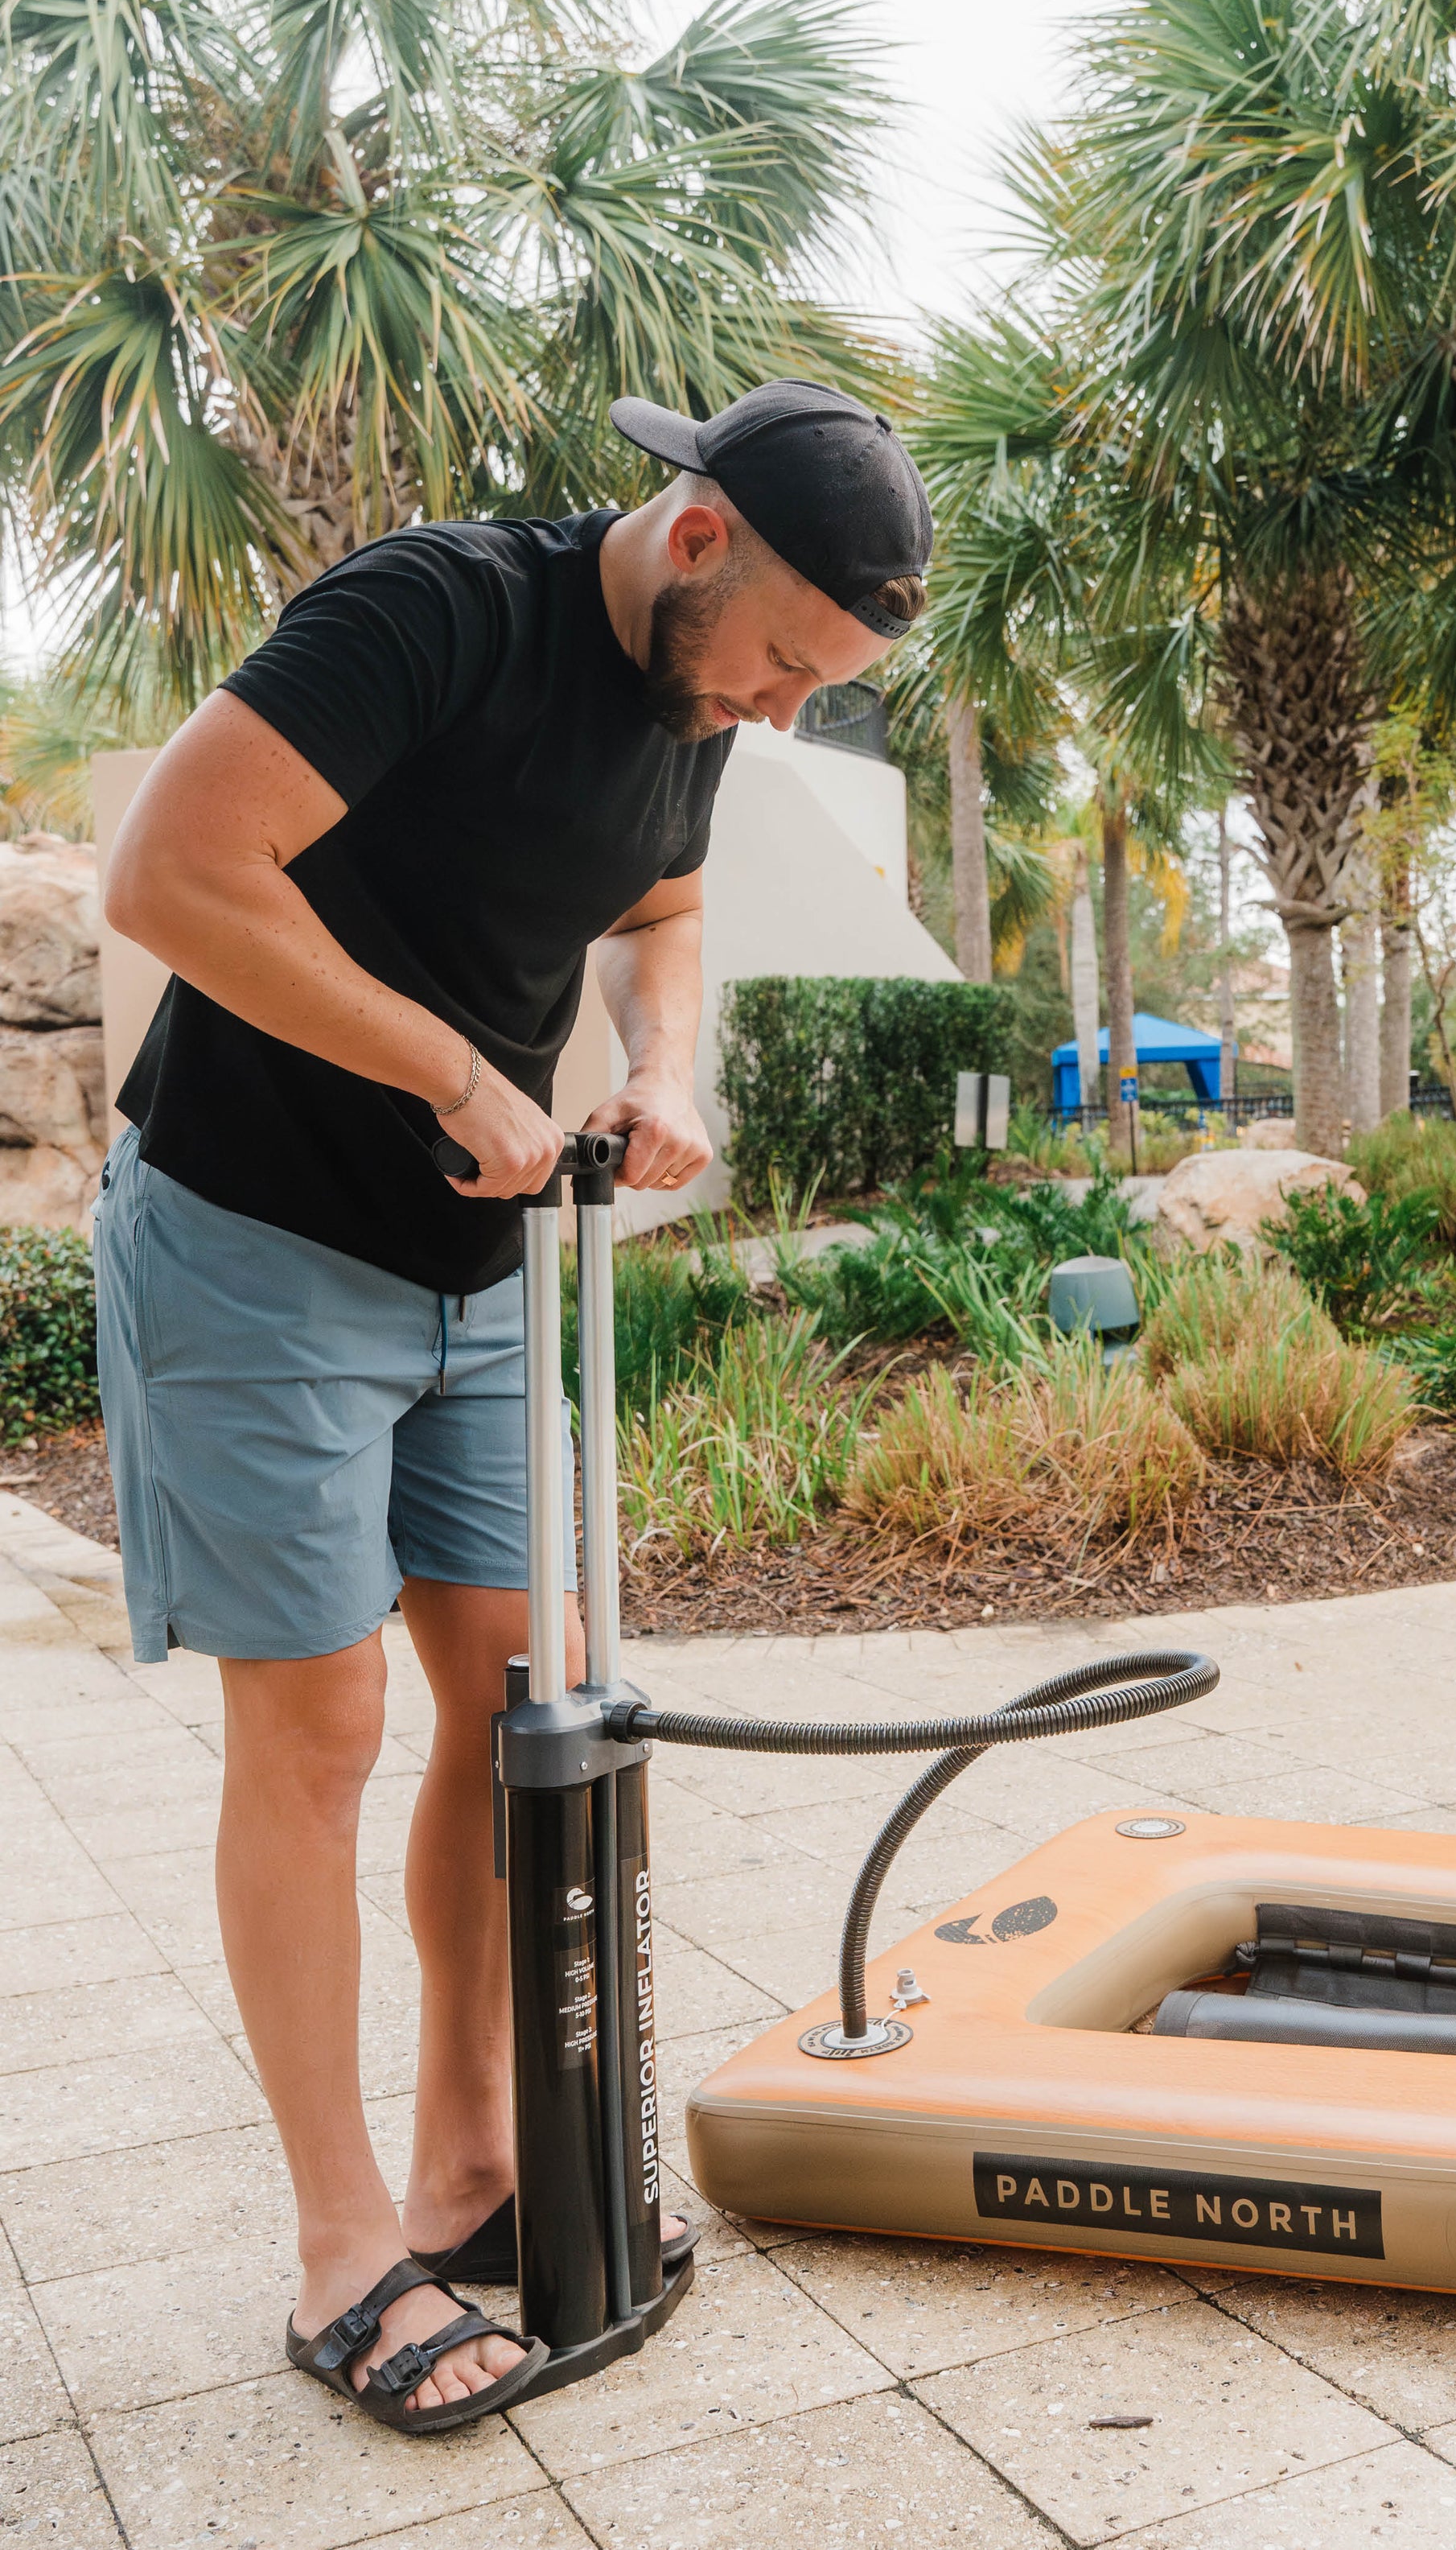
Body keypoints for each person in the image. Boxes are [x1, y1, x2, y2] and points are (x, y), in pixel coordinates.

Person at [95, 381, 932, 2433]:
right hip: (256, 1229)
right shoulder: (439, 613)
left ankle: (473, 2167)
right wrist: (453, 1071)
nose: (782, 715)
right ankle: (340, 2246)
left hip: (483, 1268)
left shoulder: (696, 712)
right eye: (787, 665)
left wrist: (670, 1069)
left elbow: (663, 911)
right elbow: (172, 872)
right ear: (703, 539)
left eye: (828, 690)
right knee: (323, 1726)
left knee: (516, 1710)